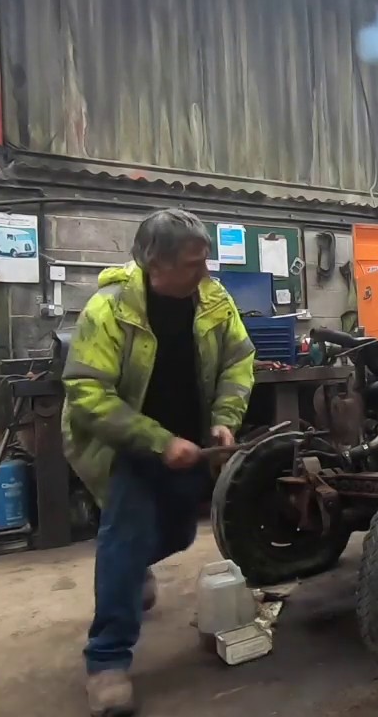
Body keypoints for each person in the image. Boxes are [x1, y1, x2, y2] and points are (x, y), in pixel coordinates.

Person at [61, 208, 255, 716]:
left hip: (191, 443)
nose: (205, 272)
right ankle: (107, 663)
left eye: (205, 260)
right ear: (154, 263)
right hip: (128, 444)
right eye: (193, 264)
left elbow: (239, 359)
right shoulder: (108, 311)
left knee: (178, 534)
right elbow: (86, 392)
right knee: (124, 537)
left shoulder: (212, 299)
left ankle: (131, 570)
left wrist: (224, 417)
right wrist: (157, 441)